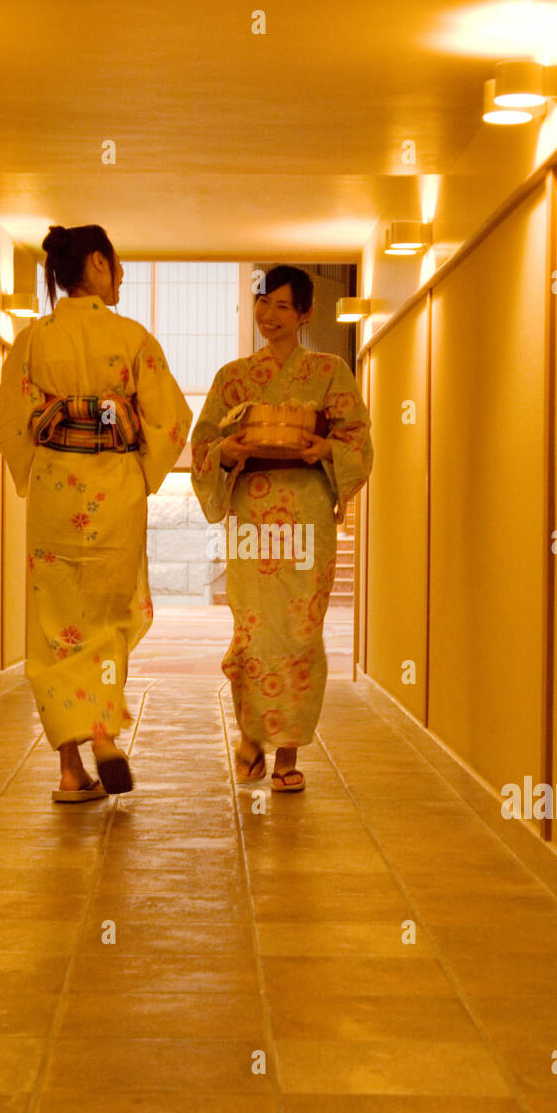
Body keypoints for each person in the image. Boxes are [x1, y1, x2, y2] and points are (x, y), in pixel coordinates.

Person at [0, 224, 191, 800]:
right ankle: (103, 731)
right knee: (107, 614)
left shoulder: (31, 341)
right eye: (118, 264)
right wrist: (141, 470)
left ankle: (68, 769)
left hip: (57, 489)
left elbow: (11, 427)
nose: (123, 275)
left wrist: (36, 465)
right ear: (99, 266)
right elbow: (168, 422)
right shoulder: (132, 337)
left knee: (54, 625)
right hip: (113, 491)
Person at [191, 265, 372, 792]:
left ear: (306, 314)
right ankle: (251, 734)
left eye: (283, 308)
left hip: (307, 510)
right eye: (263, 305)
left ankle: (287, 751)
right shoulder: (232, 377)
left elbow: (357, 439)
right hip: (252, 511)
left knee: (299, 629)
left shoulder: (329, 370)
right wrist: (226, 450)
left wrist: (327, 449)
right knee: (252, 628)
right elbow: (205, 444)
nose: (269, 317)